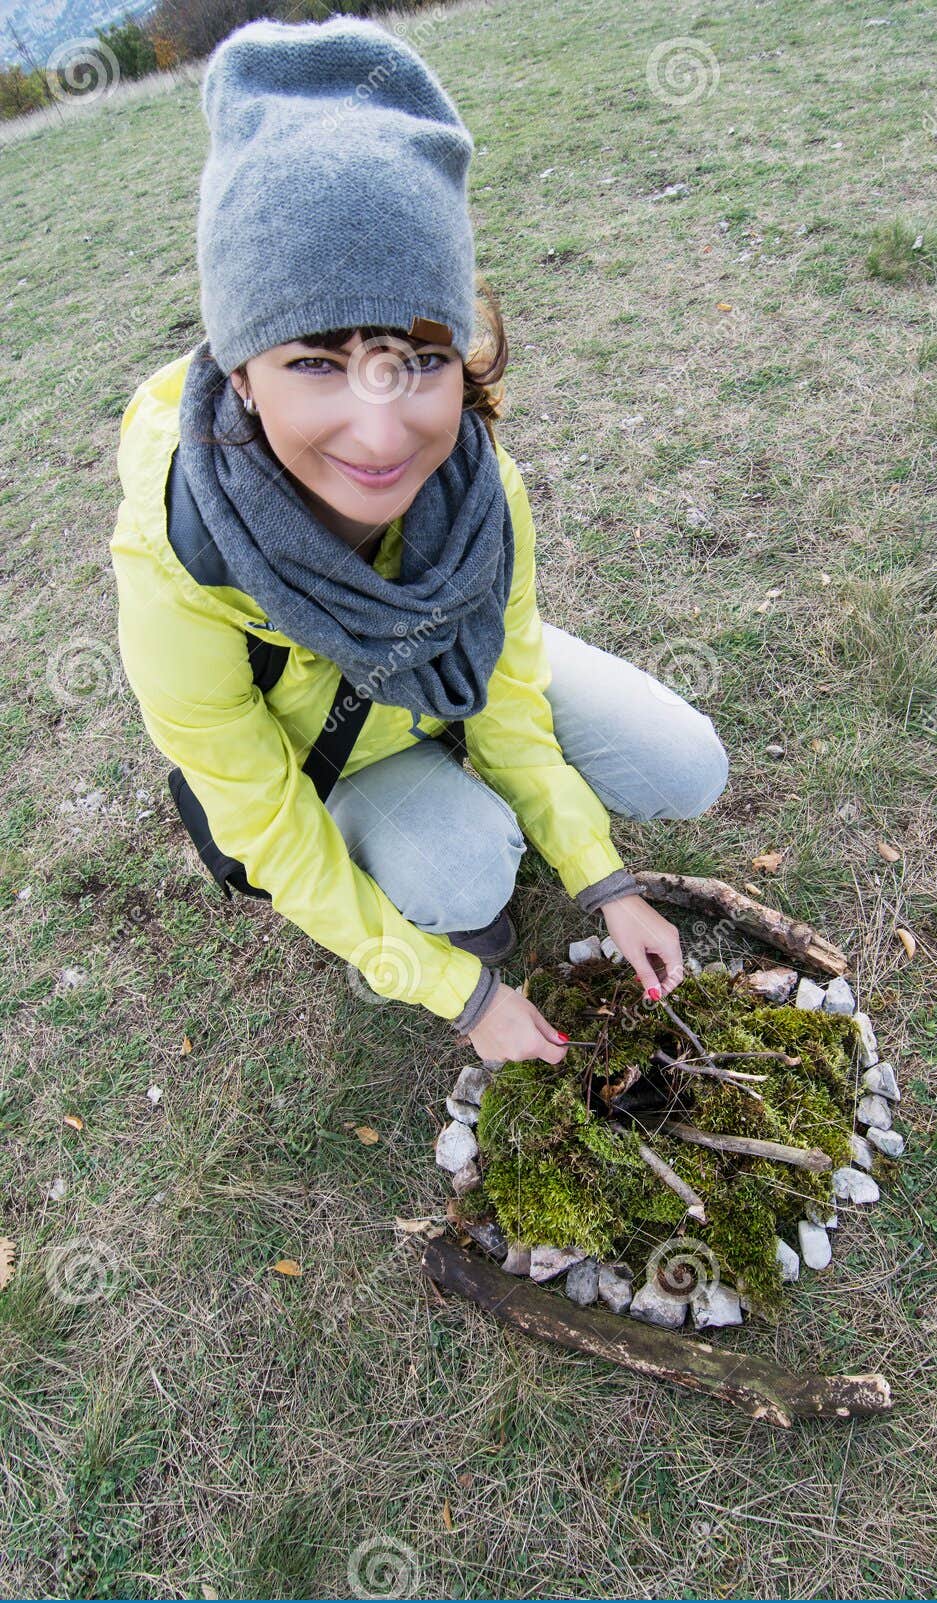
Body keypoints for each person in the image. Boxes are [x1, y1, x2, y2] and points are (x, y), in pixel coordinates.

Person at [109, 15, 730, 1068]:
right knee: (465, 875)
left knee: (687, 765)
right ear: (239, 368)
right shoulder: (178, 564)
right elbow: (269, 831)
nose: (383, 429)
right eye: (314, 360)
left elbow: (503, 683)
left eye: (416, 356)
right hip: (343, 751)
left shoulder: (482, 491)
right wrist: (462, 989)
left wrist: (601, 878)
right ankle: (440, 860)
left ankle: (472, 802)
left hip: (449, 680)